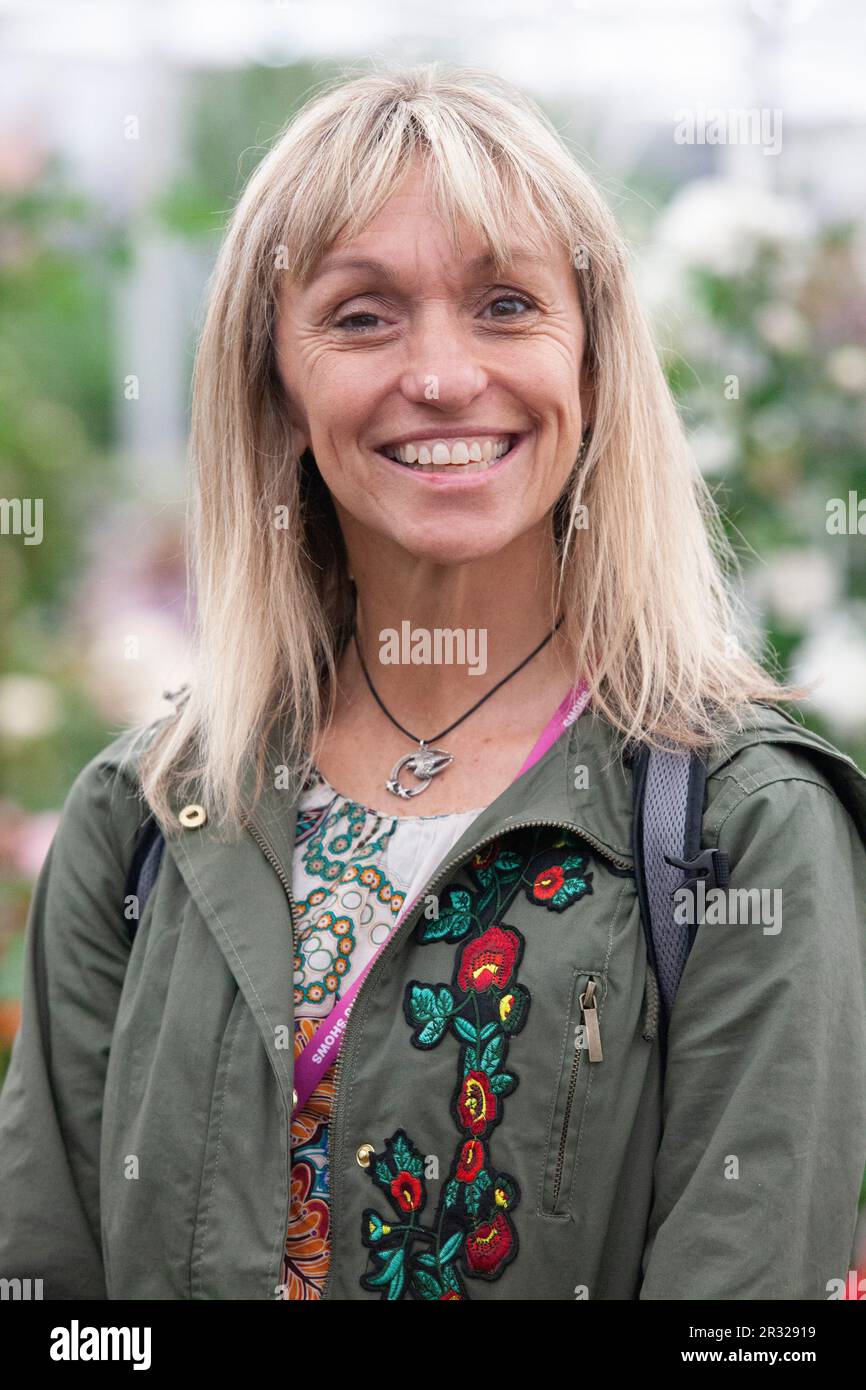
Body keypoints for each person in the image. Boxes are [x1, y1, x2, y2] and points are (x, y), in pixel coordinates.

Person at [1, 63, 865, 1302]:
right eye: (361, 316)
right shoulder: (140, 819)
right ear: (277, 389)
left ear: (594, 366)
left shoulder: (741, 832)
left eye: (506, 304)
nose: (443, 375)